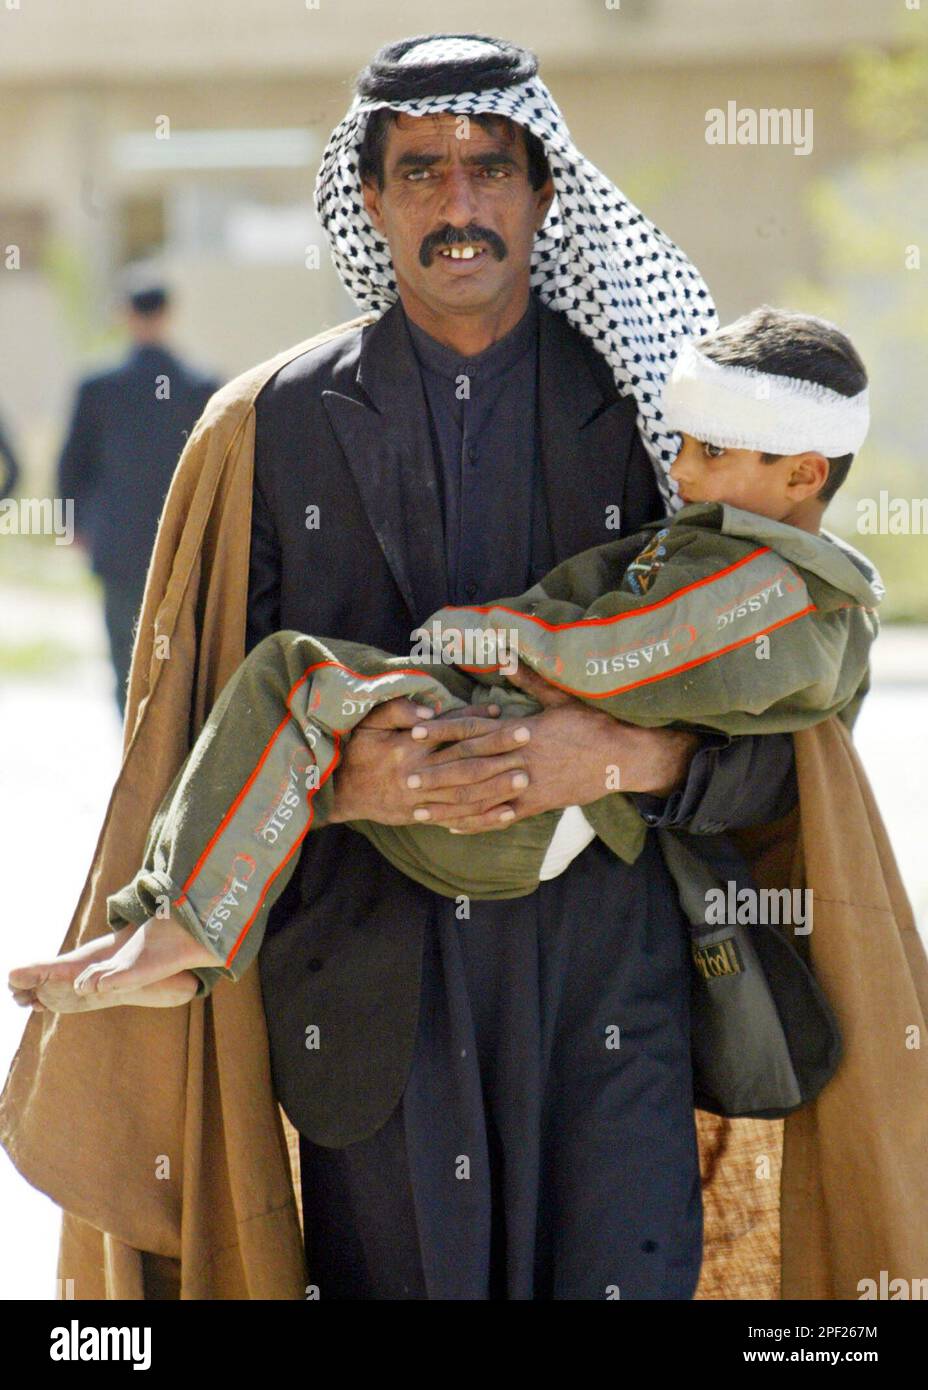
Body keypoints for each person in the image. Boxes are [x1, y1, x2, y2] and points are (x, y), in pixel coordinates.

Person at [6, 34, 927, 1304]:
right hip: (367, 993)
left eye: (490, 168)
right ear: (370, 197)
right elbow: (201, 735)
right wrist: (351, 786)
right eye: (421, 170)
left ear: (544, 194)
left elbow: (803, 705)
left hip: (610, 987)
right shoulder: (261, 429)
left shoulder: (672, 422)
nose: (458, 202)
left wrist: (616, 751)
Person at [61, 307, 877, 1022]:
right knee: (302, 722)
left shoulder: (775, 589)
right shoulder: (763, 566)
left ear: (804, 473)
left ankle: (183, 931)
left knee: (296, 685)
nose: (682, 468)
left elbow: (628, 653)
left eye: (712, 449)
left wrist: (486, 635)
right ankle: (174, 931)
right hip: (518, 793)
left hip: (516, 797)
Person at [56, 271, 221, 717]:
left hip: (118, 544)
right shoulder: (202, 385)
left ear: (125, 314)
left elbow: (73, 463)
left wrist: (70, 525)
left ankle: (132, 748)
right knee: (179, 653)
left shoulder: (98, 387)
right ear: (168, 313)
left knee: (124, 655)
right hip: (183, 542)